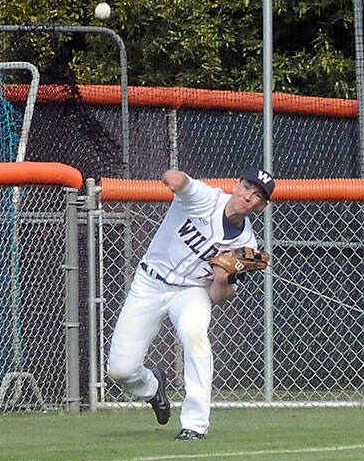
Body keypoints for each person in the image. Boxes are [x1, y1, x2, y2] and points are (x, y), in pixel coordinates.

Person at [106, 166, 275, 440]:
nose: (248, 196)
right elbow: (180, 181)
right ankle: (151, 386)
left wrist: (221, 278)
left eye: (257, 195)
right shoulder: (205, 199)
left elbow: (220, 297)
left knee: (195, 334)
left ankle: (195, 424)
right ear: (236, 185)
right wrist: (176, 181)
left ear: (262, 205)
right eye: (246, 187)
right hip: (150, 281)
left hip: (192, 291)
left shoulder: (247, 244)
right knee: (120, 369)